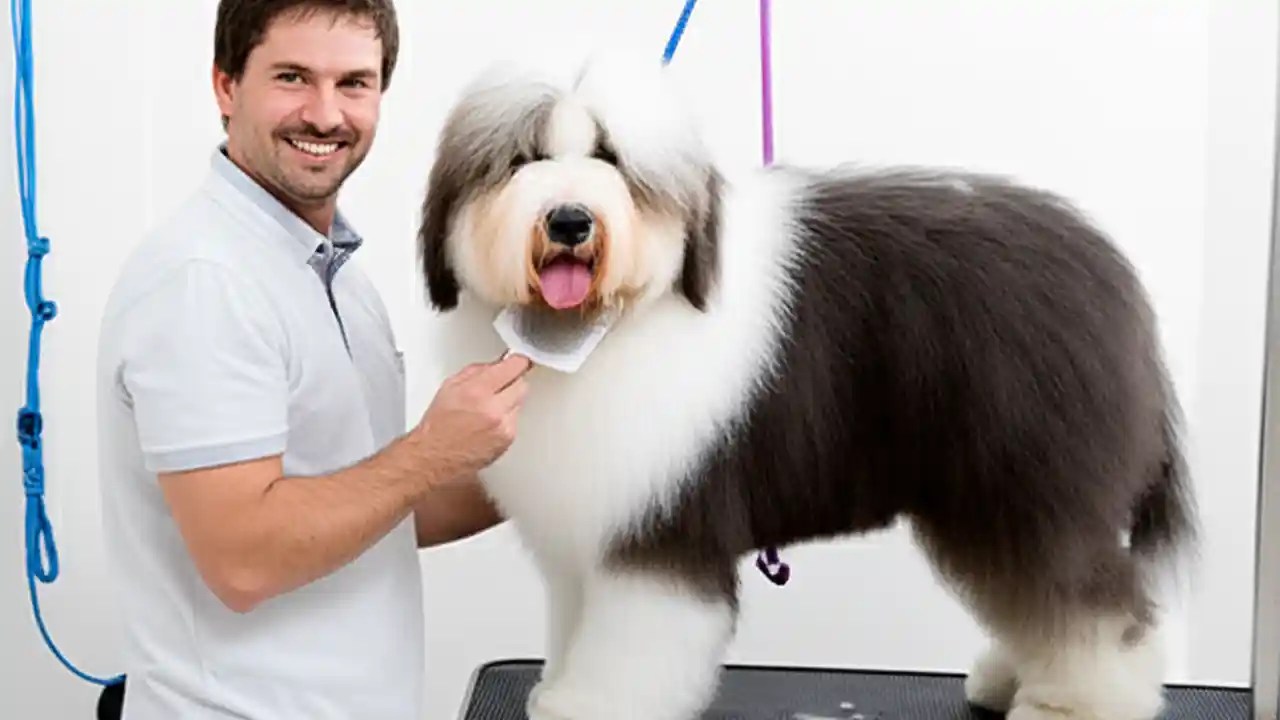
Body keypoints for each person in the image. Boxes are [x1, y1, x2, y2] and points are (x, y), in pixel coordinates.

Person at [95, 1, 530, 717]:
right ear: (226, 86)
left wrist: (572, 464)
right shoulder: (205, 281)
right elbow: (244, 557)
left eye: (354, 83)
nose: (326, 115)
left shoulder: (335, 277)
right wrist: (429, 449)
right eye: (293, 77)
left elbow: (378, 510)